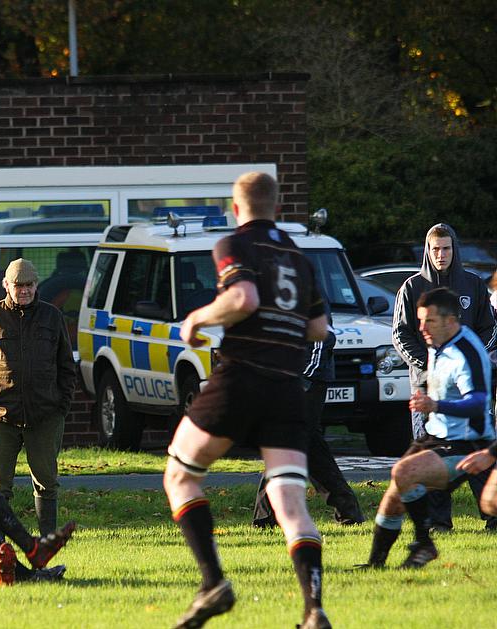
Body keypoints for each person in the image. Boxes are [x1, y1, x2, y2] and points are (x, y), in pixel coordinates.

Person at [162, 172, 331, 629]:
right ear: (277, 208)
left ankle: (213, 583)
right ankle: (314, 610)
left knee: (180, 475)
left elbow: (243, 297)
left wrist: (198, 317)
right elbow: (319, 329)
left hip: (241, 377)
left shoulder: (233, 244)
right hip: (287, 389)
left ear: (236, 210)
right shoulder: (301, 257)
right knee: (289, 502)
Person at [361, 288, 494, 569]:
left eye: (428, 321)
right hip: (435, 435)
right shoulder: (438, 342)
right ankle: (375, 565)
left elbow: (478, 401)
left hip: (467, 442)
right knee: (393, 497)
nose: (422, 328)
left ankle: (424, 543)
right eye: (420, 321)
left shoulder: (465, 352)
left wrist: (435, 405)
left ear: (450, 320)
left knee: (404, 472)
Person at [392, 224, 497, 531]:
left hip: (468, 389)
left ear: (455, 249)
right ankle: (438, 523)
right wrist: (428, 367)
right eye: (435, 249)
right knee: (433, 455)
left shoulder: (473, 285)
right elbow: (400, 334)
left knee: (476, 452)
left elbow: (489, 328)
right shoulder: (412, 288)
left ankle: (493, 517)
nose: (441, 254)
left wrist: (470, 359)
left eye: (446, 248)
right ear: (428, 251)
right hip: (428, 390)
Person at [0, 258, 76, 536]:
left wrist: (61, 406)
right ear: (6, 285)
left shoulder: (53, 317)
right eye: (18, 285)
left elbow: (66, 365)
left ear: (36, 285)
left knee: (46, 481)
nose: (24, 290)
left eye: (29, 285)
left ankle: (46, 541)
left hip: (45, 415)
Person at [253, 305, 365, 527]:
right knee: (309, 446)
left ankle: (265, 516)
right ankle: (347, 509)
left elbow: (325, 336)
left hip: (308, 380)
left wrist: (305, 378)